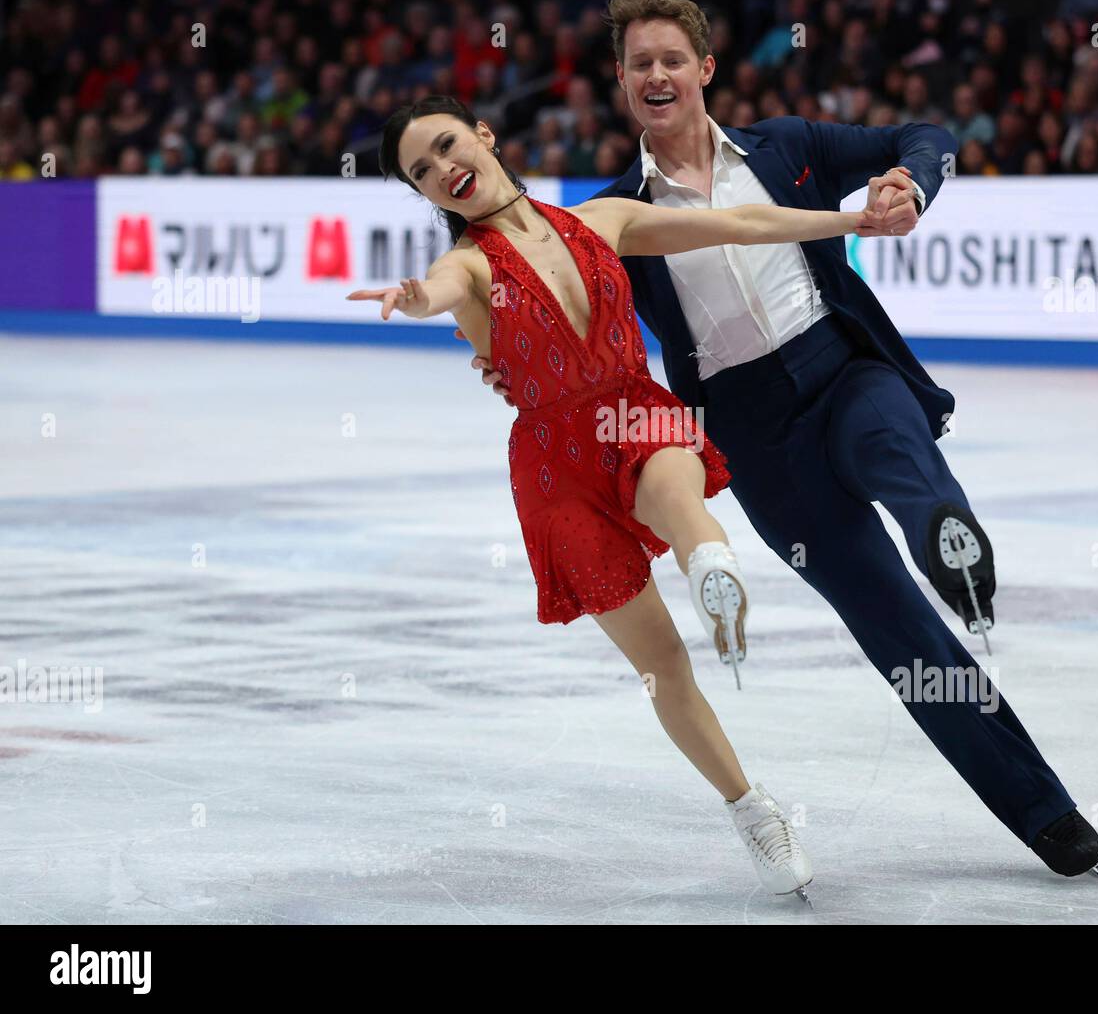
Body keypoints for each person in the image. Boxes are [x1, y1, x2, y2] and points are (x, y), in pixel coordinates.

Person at [468, 0, 1098, 881]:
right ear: (620, 83)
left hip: (840, 367)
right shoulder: (612, 216)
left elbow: (925, 133)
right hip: (753, 436)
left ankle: (946, 539)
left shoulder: (789, 147)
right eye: (639, 64)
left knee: (894, 444)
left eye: (671, 59)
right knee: (897, 632)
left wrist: (908, 183)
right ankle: (1046, 814)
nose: (657, 75)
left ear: (704, 70)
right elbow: (548, 300)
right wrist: (507, 359)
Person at [349, 95, 903, 903]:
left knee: (671, 467)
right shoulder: (467, 265)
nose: (441, 171)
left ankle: (708, 559)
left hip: (629, 406)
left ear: (484, 135)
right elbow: (441, 287)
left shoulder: (604, 219)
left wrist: (851, 223)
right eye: (420, 173)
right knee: (663, 667)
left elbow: (742, 226)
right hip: (553, 466)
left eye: (444, 147)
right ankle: (752, 810)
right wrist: (415, 300)